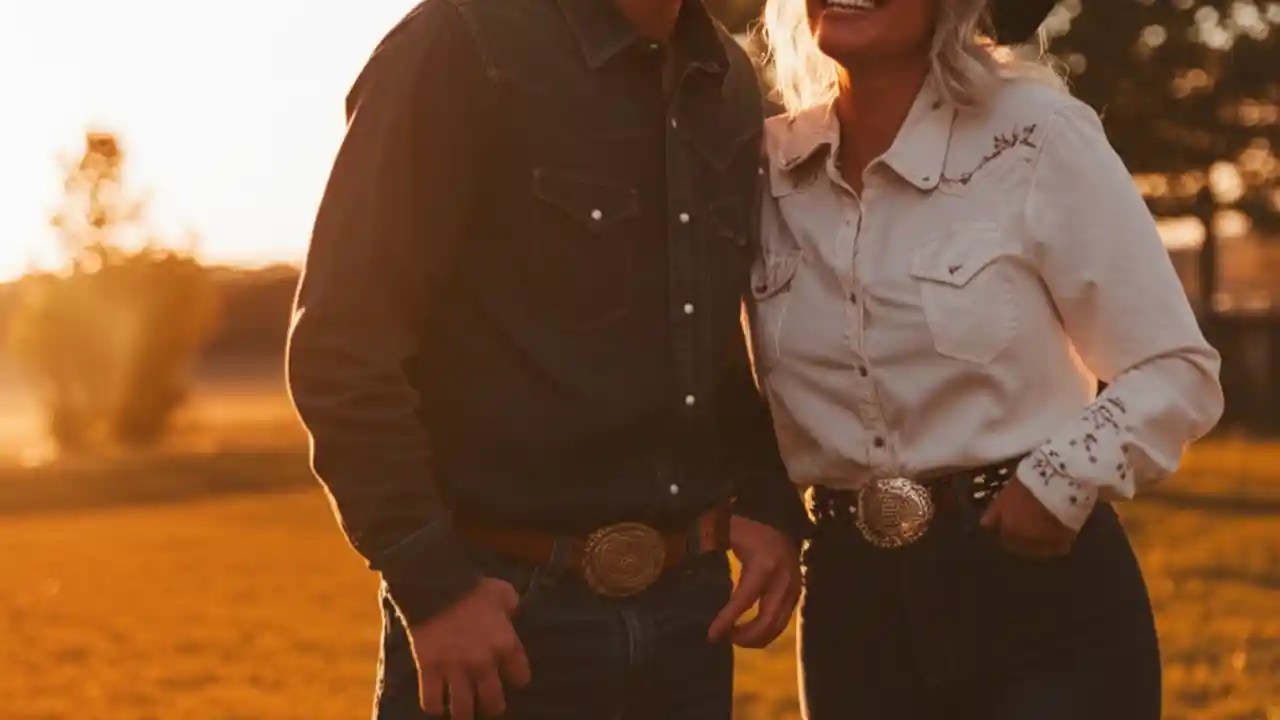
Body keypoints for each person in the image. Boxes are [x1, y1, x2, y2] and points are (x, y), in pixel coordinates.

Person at [286, 0, 815, 717]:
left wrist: (765, 500)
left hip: (688, 625)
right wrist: (434, 587)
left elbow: (717, 337)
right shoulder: (461, 45)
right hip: (501, 620)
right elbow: (342, 346)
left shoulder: (729, 79)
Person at [751, 1, 1225, 719]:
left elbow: (1175, 367)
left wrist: (1060, 478)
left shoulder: (1037, 137)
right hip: (852, 607)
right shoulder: (764, 169)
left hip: (1039, 594)